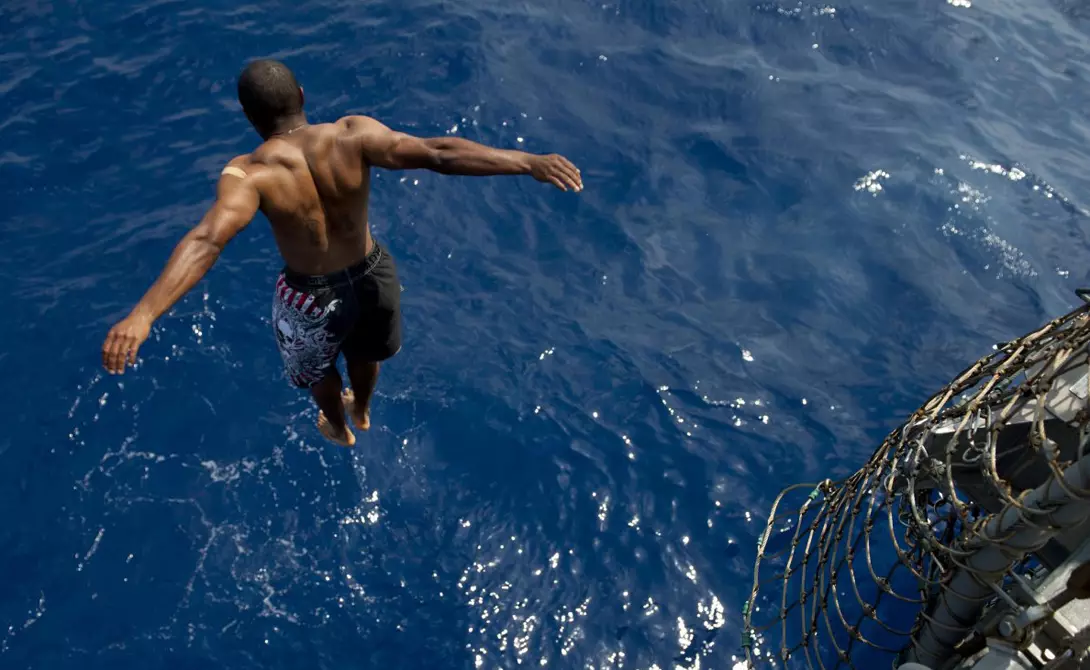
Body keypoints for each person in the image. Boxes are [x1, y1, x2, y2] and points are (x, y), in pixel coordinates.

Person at [101, 59, 583, 447]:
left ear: (250, 118)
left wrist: (143, 315)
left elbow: (208, 240)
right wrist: (528, 162)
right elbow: (438, 153)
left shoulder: (248, 173)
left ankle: (337, 422)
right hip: (374, 275)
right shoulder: (353, 134)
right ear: (303, 97)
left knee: (317, 370)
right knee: (367, 348)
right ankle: (364, 408)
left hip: (310, 298)